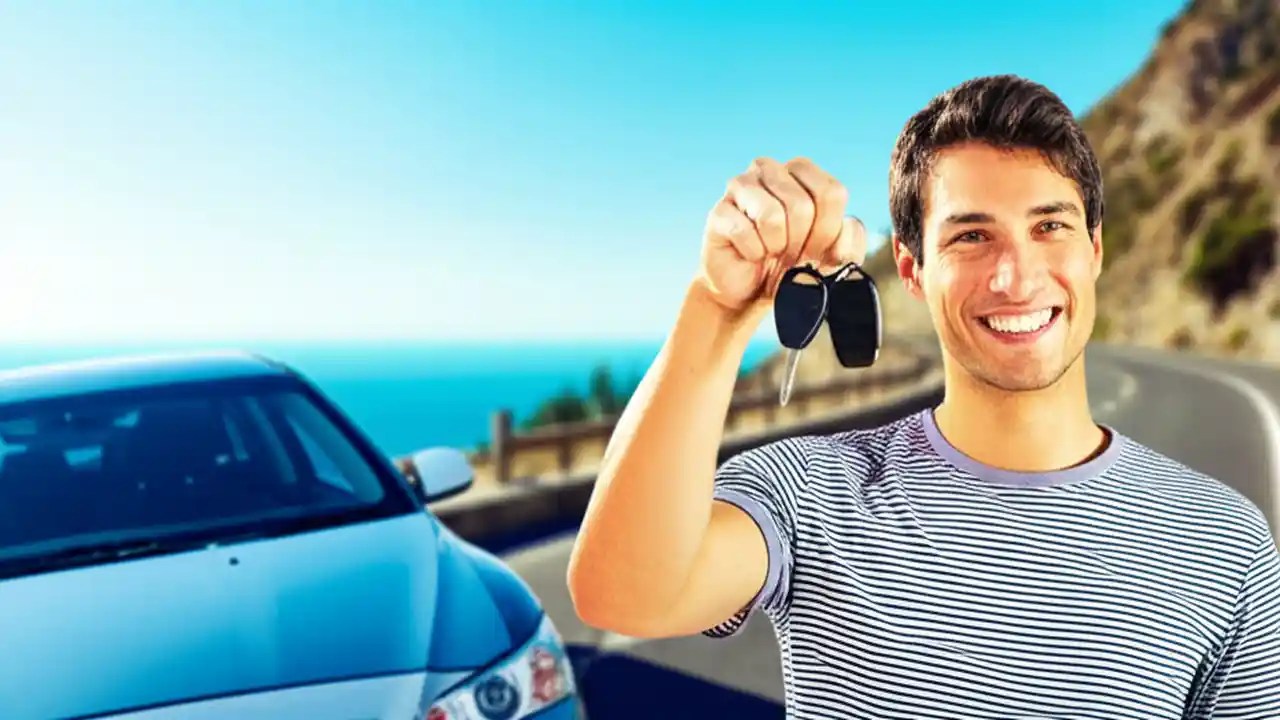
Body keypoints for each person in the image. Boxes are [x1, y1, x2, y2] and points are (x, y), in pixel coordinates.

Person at [566, 74, 1280, 718]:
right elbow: (623, 594)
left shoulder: (1228, 543)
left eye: (1049, 226)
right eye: (971, 236)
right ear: (911, 268)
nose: (1015, 275)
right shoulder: (809, 491)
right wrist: (718, 310)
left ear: (1094, 248)